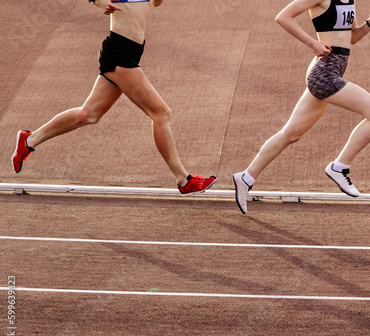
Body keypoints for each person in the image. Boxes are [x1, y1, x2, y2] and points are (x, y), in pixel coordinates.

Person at [10, 0, 216, 195]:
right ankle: (183, 180)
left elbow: (156, 2)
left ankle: (29, 139)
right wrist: (99, 1)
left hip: (131, 52)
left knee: (88, 114)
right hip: (119, 52)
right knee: (161, 113)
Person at [231, 0, 370, 214]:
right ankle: (339, 167)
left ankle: (245, 177)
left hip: (330, 72)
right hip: (324, 76)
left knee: (290, 134)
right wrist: (312, 43)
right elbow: (283, 17)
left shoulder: (349, 0)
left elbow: (350, 38)